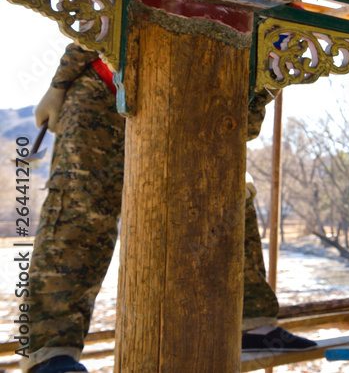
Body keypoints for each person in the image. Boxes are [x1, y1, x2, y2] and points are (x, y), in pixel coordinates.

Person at [25, 44, 314, 373]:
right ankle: (49, 353)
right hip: (105, 91)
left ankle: (253, 326)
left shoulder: (288, 33)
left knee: (231, 194)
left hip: (188, 109)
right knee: (81, 210)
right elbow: (103, 15)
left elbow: (250, 111)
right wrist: (59, 85)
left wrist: (222, 135)